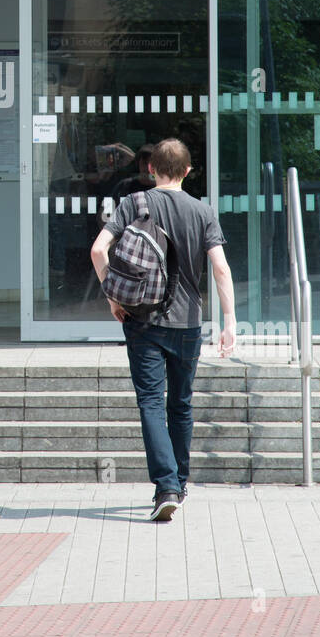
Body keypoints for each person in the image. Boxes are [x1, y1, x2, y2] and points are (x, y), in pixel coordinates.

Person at [90, 138, 236, 523]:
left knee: (151, 403)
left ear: (150, 169)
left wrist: (112, 297)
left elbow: (97, 250)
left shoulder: (132, 204)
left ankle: (166, 487)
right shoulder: (203, 211)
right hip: (188, 324)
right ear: (188, 171)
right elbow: (220, 269)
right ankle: (180, 483)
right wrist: (229, 322)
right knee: (181, 404)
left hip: (142, 320)